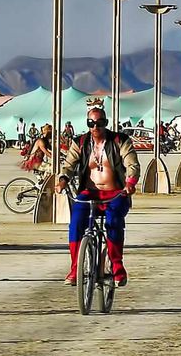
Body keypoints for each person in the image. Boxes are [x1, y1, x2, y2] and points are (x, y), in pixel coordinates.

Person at [55, 102, 140, 286]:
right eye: (91, 123)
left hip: (115, 193)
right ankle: (75, 268)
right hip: (89, 193)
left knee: (113, 221)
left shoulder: (120, 141)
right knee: (76, 221)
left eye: (100, 123)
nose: (96, 127)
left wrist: (130, 183)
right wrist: (63, 180)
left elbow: (132, 163)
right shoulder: (80, 142)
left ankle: (117, 266)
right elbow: (69, 165)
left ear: (106, 123)